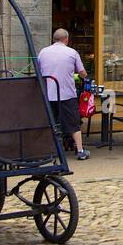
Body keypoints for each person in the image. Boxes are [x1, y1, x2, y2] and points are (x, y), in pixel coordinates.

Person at [37, 28, 89, 160]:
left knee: (50, 122)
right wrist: (78, 75)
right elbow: (83, 73)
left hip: (47, 94)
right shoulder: (72, 52)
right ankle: (80, 150)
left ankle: (48, 151)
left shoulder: (43, 52)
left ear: (53, 39)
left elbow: (38, 70)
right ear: (66, 39)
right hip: (66, 93)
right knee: (74, 122)